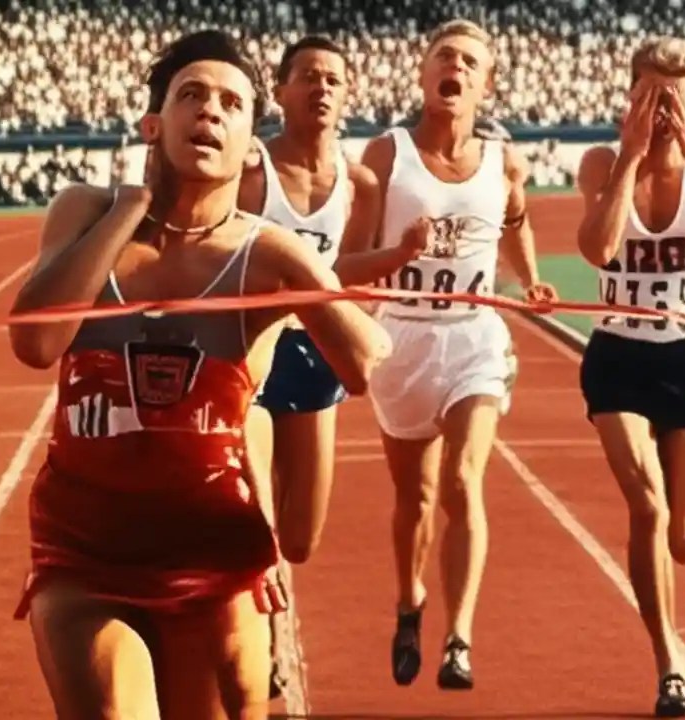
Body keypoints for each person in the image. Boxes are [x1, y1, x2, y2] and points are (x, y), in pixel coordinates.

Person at [5, 30, 391, 720]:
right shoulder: (85, 212)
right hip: (84, 553)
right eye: (191, 96)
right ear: (154, 125)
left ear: (251, 145)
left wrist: (315, 289)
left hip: (211, 557)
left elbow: (362, 362)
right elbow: (35, 343)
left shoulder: (267, 253)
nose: (209, 111)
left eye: (230, 103)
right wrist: (129, 208)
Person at [358, 18, 558, 691]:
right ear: (422, 72)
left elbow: (516, 219)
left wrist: (528, 279)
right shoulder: (385, 157)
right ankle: (410, 600)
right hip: (402, 341)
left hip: (475, 337)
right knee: (414, 496)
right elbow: (348, 261)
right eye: (444, 56)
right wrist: (396, 256)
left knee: (463, 482)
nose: (456, 68)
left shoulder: (505, 160)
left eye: (470, 61)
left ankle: (460, 637)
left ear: (486, 83)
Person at [235, 33, 424, 700]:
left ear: (348, 95)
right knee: (253, 524)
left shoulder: (361, 184)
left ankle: (259, 626)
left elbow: (340, 276)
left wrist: (400, 254)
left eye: (332, 78)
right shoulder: (251, 170)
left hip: (315, 355)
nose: (320, 87)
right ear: (280, 91)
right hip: (250, 354)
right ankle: (258, 649)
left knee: (302, 537)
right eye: (307, 76)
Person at [574, 37, 685, 717]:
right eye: (651, 93)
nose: (664, 108)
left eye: (676, 95)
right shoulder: (600, 160)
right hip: (619, 354)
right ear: (630, 94)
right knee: (645, 505)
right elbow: (598, 246)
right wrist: (629, 154)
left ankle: (670, 644)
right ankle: (669, 664)